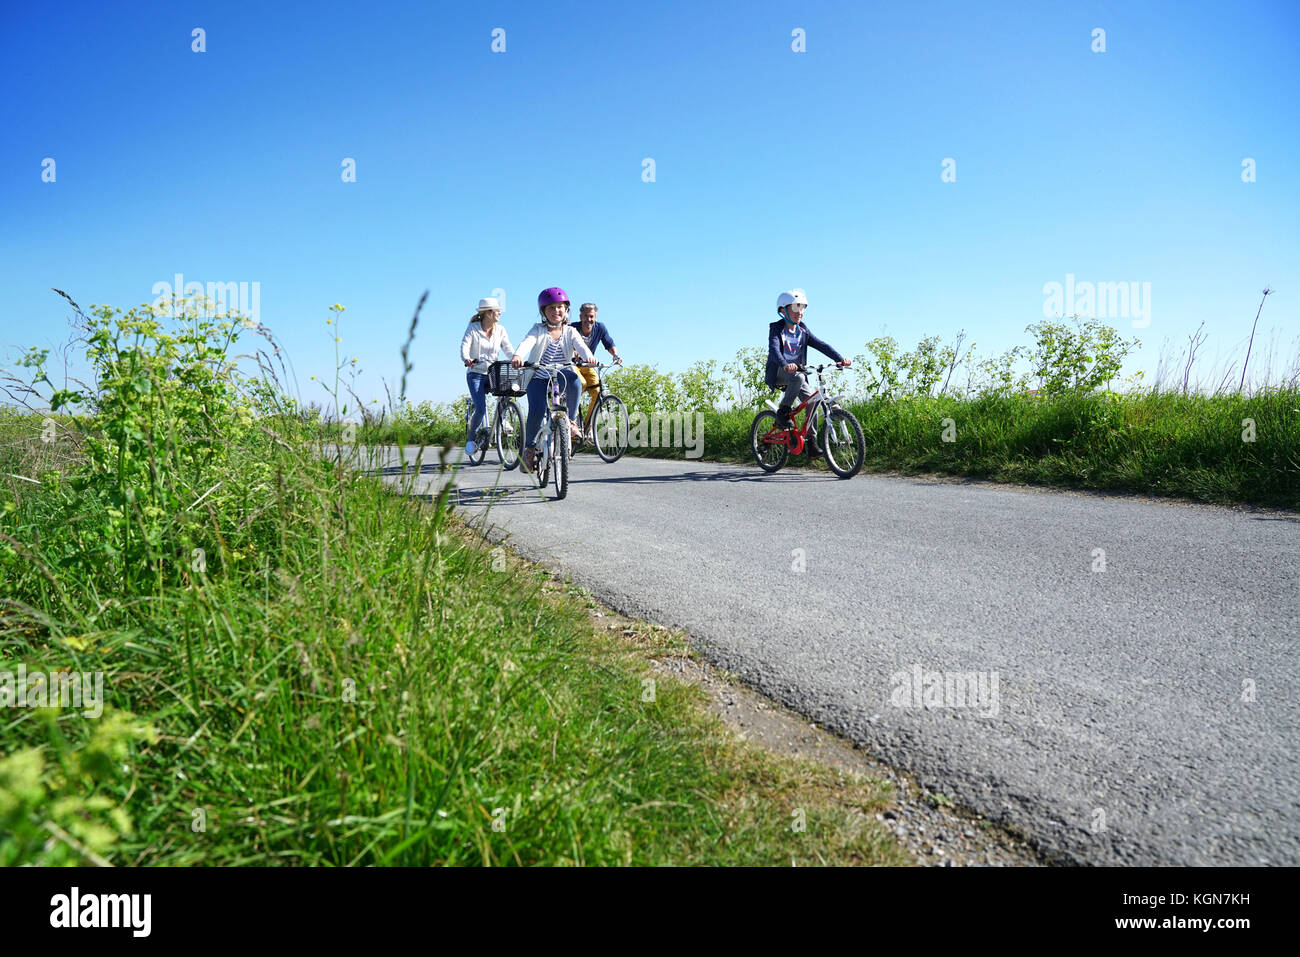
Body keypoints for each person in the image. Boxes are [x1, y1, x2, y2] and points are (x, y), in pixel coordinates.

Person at [510, 287, 595, 473]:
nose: (556, 311)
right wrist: (518, 355)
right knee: (538, 410)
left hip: (562, 375)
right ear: (543, 312)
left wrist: (589, 357)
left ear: (566, 310)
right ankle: (530, 449)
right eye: (551, 308)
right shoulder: (538, 330)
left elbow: (581, 346)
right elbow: (527, 343)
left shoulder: (570, 331)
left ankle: (571, 422)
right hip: (539, 377)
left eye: (560, 307)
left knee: (575, 380)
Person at [764, 289, 851, 429]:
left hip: (797, 373)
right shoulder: (776, 329)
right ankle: (783, 412)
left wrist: (839, 359)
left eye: (802, 308)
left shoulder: (803, 330)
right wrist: (785, 364)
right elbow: (774, 351)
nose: (800, 312)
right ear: (783, 310)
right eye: (795, 308)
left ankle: (811, 441)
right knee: (799, 378)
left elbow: (821, 345)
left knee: (812, 402)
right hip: (780, 371)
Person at [460, 297, 513, 459]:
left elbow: (507, 348)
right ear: (488, 313)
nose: (499, 313)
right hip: (475, 372)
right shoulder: (473, 328)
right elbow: (464, 346)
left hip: (493, 372)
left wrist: (516, 358)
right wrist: (467, 359)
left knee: (511, 388)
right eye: (497, 311)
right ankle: (471, 439)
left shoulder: (501, 330)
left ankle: (503, 419)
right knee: (481, 409)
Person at [570, 302, 622, 437]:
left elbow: (609, 343)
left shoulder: (600, 328)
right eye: (586, 316)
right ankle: (572, 422)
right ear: (580, 316)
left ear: (595, 316)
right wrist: (574, 352)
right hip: (572, 365)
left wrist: (615, 355)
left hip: (588, 366)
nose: (589, 320)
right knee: (580, 384)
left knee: (598, 391)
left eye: (591, 316)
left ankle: (588, 426)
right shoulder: (572, 328)